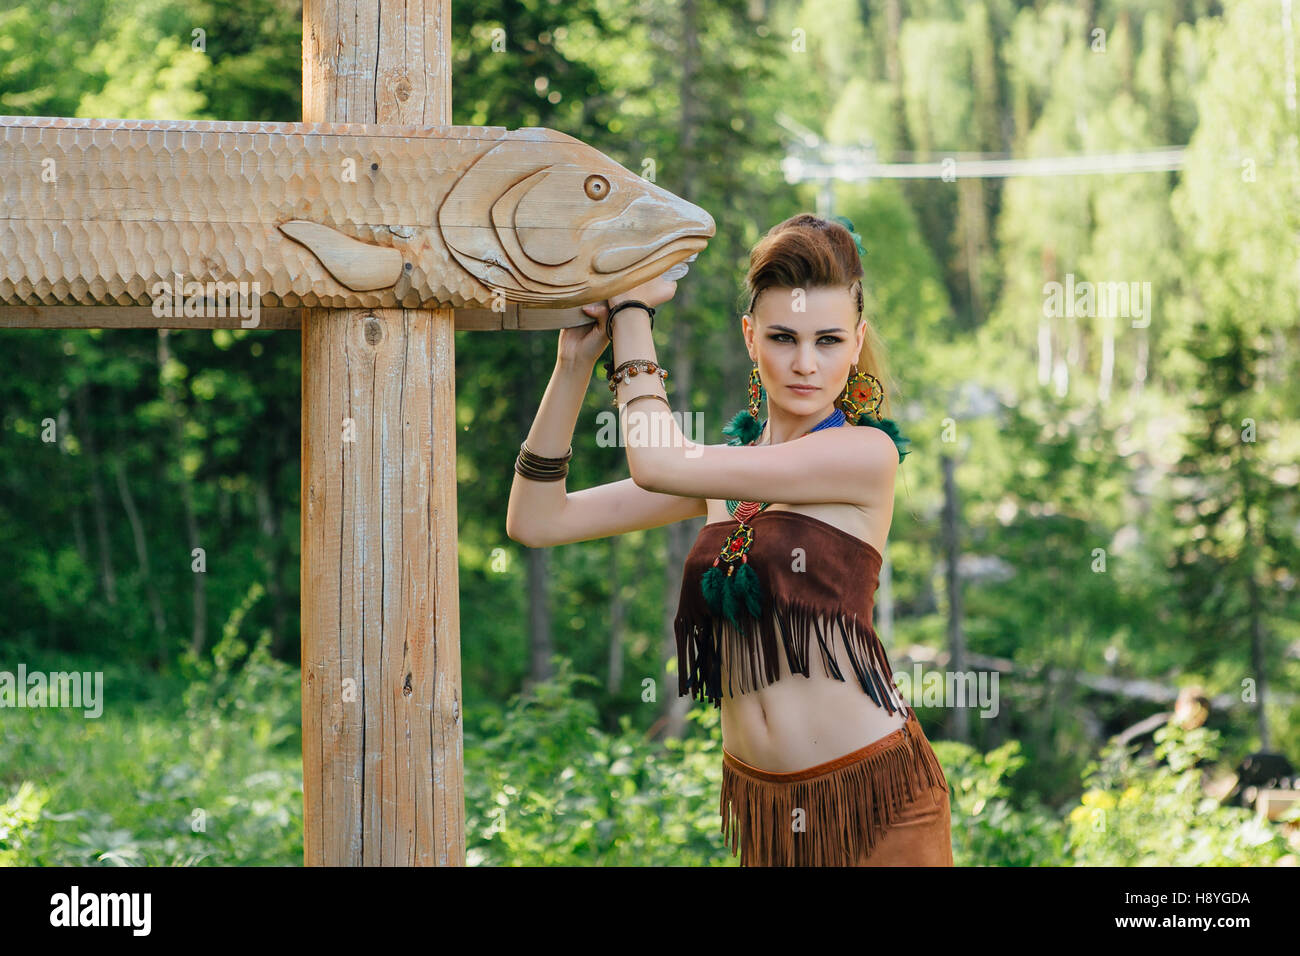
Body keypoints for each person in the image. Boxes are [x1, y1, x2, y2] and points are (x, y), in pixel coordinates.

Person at [506, 213, 952, 867]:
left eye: (828, 340)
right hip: (767, 811)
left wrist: (632, 310)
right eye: (783, 337)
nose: (805, 363)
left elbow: (655, 461)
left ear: (857, 344)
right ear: (750, 337)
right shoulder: (726, 470)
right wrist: (575, 362)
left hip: (874, 804)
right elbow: (537, 520)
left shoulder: (862, 456)